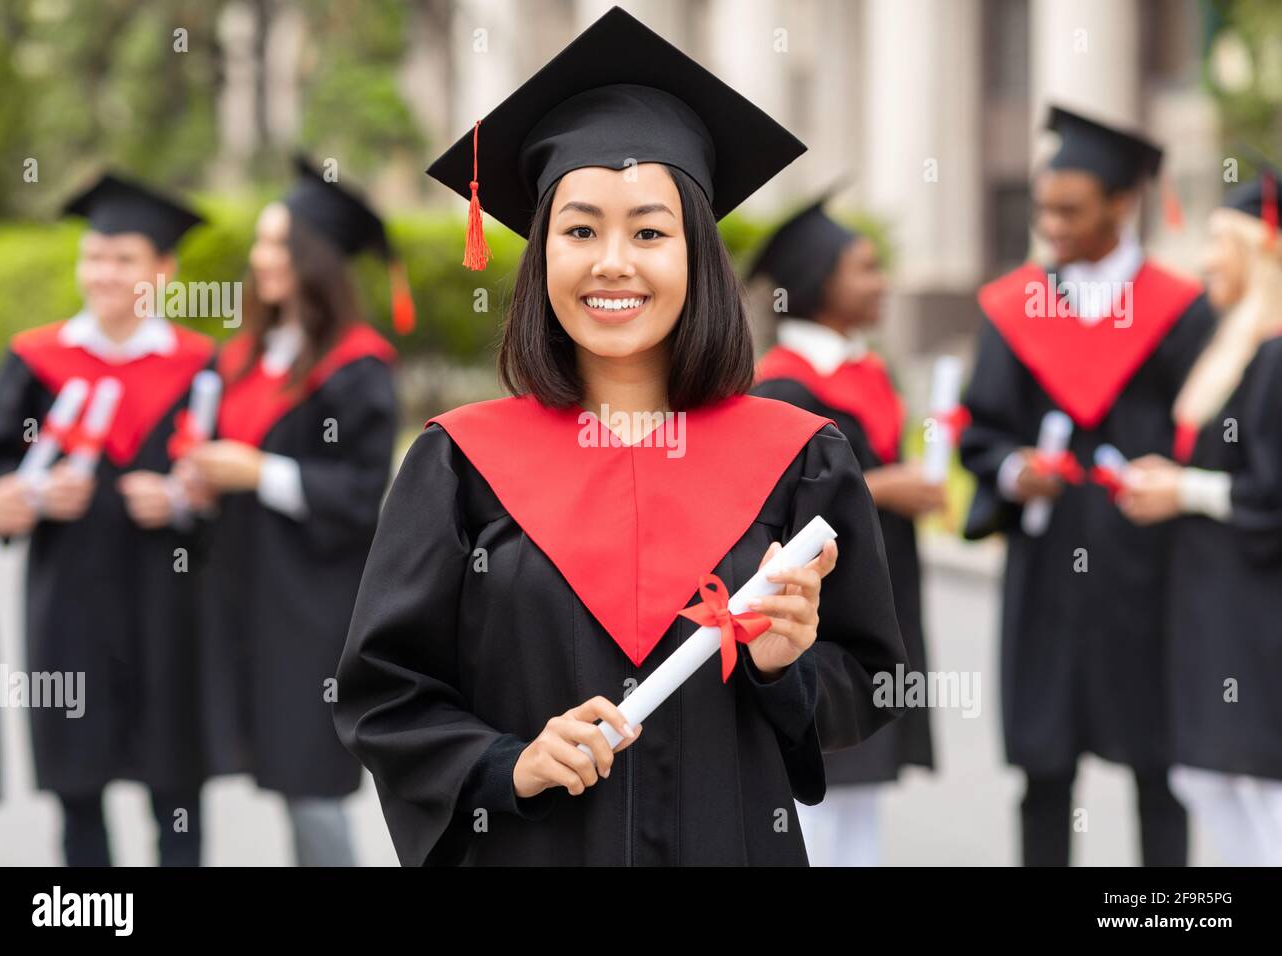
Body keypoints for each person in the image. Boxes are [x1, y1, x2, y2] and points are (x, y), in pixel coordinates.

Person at [332, 6, 908, 866]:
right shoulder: (460, 464)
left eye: (648, 230)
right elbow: (385, 695)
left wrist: (787, 665)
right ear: (541, 257)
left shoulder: (798, 458)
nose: (613, 262)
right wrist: (506, 763)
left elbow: (867, 681)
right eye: (580, 229)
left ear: (695, 258)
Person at [958, 105, 1215, 866]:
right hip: (1049, 570)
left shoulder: (1180, 310)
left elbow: (1206, 431)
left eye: (1069, 210)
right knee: (1045, 769)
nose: (1051, 226)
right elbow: (982, 429)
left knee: (1161, 770)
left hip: (1153, 569)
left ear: (1121, 203)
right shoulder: (1016, 307)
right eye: (1043, 208)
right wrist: (1014, 471)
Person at [0, 172, 214, 865]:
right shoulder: (34, 361)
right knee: (77, 792)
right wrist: (20, 495)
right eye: (93, 257)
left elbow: (224, 490)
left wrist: (184, 501)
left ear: (163, 270)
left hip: (170, 608)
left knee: (177, 791)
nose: (104, 273)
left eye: (124, 259)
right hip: (69, 603)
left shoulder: (201, 368)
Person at [182, 155, 399, 866]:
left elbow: (365, 496)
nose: (260, 257)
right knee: (273, 768)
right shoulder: (246, 358)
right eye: (261, 242)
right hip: (246, 596)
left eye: (279, 243)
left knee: (309, 777)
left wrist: (260, 471)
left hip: (314, 608)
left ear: (317, 260)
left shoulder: (358, 367)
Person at [750, 189, 939, 866]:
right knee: (819, 792)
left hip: (872, 599)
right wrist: (885, 488)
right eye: (864, 267)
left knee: (862, 788)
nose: (881, 282)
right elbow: (775, 509)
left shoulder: (862, 372)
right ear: (817, 282)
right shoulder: (783, 388)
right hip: (817, 620)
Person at [1116, 163, 1282, 865]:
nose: (1206, 260)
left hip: (1258, 613)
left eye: (1222, 241)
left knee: (1261, 789)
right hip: (1216, 605)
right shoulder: (1240, 343)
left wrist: (1185, 491)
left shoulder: (1276, 353)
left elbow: (1271, 494)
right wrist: (1179, 479)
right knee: (1208, 778)